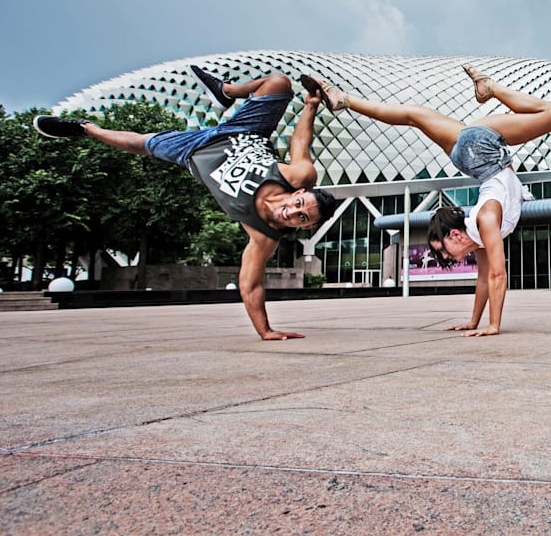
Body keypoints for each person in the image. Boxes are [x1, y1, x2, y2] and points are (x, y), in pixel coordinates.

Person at [33, 66, 337, 341]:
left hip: (194, 152)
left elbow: (251, 285)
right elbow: (300, 143)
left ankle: (86, 128)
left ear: (307, 227)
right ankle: (225, 91)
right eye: (300, 206)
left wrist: (265, 330)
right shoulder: (299, 175)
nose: (292, 212)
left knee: (140, 143)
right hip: (245, 131)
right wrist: (310, 106)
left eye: (301, 219)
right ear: (299, 194)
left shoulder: (262, 236)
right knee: (278, 82)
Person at [301, 67, 551, 337]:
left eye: (442, 248)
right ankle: (344, 99)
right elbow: (487, 278)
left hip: (480, 152)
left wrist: (490, 325)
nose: (445, 256)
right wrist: (478, 323)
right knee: (415, 115)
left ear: (456, 234)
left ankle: (490, 88)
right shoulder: (480, 230)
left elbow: (494, 276)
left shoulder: (483, 223)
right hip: (473, 156)